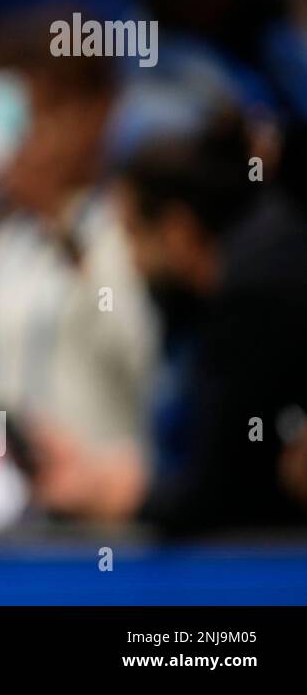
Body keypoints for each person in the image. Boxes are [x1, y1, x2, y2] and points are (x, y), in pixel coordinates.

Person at [34, 114, 307, 534]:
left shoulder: (252, 298)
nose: (129, 259)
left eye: (131, 236)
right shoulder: (260, 260)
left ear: (177, 232)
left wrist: (122, 494)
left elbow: (220, 491)